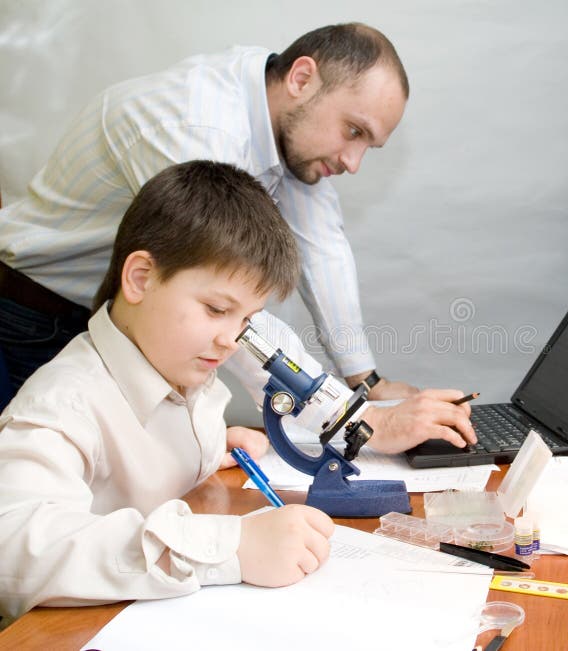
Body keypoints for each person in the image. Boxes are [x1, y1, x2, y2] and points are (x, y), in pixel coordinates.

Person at [0, 22, 416, 411]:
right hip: (33, 314)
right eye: (354, 131)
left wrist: (367, 385)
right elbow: (221, 294)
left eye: (369, 146)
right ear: (302, 79)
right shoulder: (199, 125)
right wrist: (345, 415)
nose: (354, 162)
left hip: (112, 319)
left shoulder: (284, 119)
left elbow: (323, 247)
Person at [0, 161, 339, 626]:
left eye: (245, 319)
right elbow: (13, 551)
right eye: (217, 309)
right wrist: (231, 547)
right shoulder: (62, 404)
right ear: (140, 278)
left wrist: (207, 449)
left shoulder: (178, 362)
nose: (231, 339)